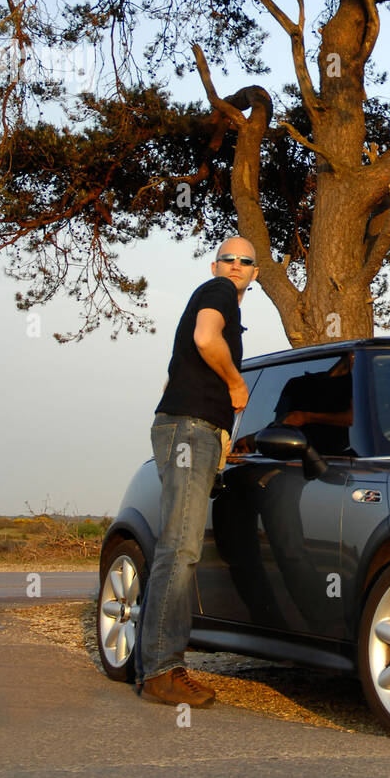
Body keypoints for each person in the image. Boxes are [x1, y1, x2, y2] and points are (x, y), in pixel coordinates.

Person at [135, 237, 258, 707]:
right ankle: (163, 671)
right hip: (190, 430)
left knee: (177, 548)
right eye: (228, 259)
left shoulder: (220, 301)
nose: (235, 266)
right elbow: (206, 338)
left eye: (245, 261)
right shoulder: (218, 293)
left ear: (256, 272)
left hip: (186, 428)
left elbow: (174, 374)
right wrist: (235, 382)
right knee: (181, 549)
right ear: (215, 266)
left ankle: (152, 665)